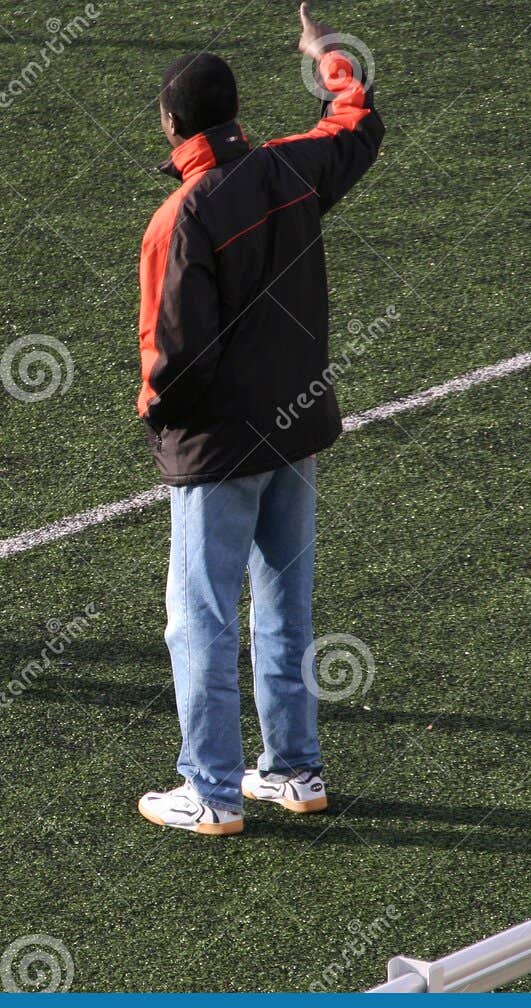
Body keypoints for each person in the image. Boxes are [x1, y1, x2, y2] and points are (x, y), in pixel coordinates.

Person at [135, 5, 384, 835]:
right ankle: (293, 770)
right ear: (234, 114)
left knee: (197, 616)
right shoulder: (290, 168)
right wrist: (326, 58)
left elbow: (171, 354)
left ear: (174, 124)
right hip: (297, 424)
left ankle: (208, 791)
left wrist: (155, 416)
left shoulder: (182, 217)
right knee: (285, 600)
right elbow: (356, 122)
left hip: (219, 445)